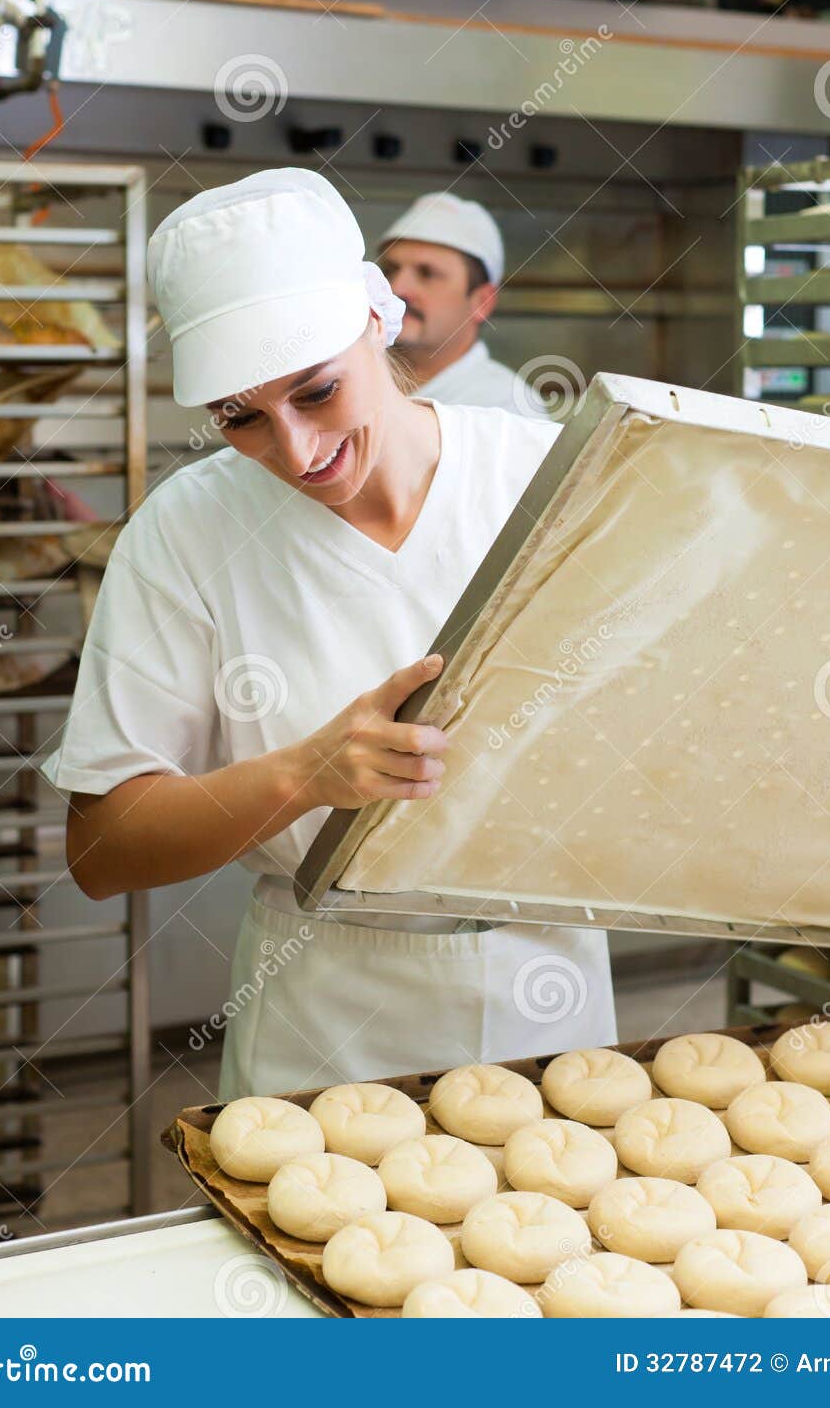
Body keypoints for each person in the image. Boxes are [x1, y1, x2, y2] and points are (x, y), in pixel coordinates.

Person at [45, 168, 614, 1101]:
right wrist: (302, 775)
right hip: (323, 1024)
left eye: (317, 392)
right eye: (240, 419)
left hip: (549, 1003)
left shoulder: (546, 475)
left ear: (377, 320)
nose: (299, 454)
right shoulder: (187, 531)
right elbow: (103, 850)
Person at [377, 191, 547, 415]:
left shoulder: (509, 409)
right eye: (389, 270)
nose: (396, 289)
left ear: (481, 303)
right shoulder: (348, 377)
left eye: (427, 274)